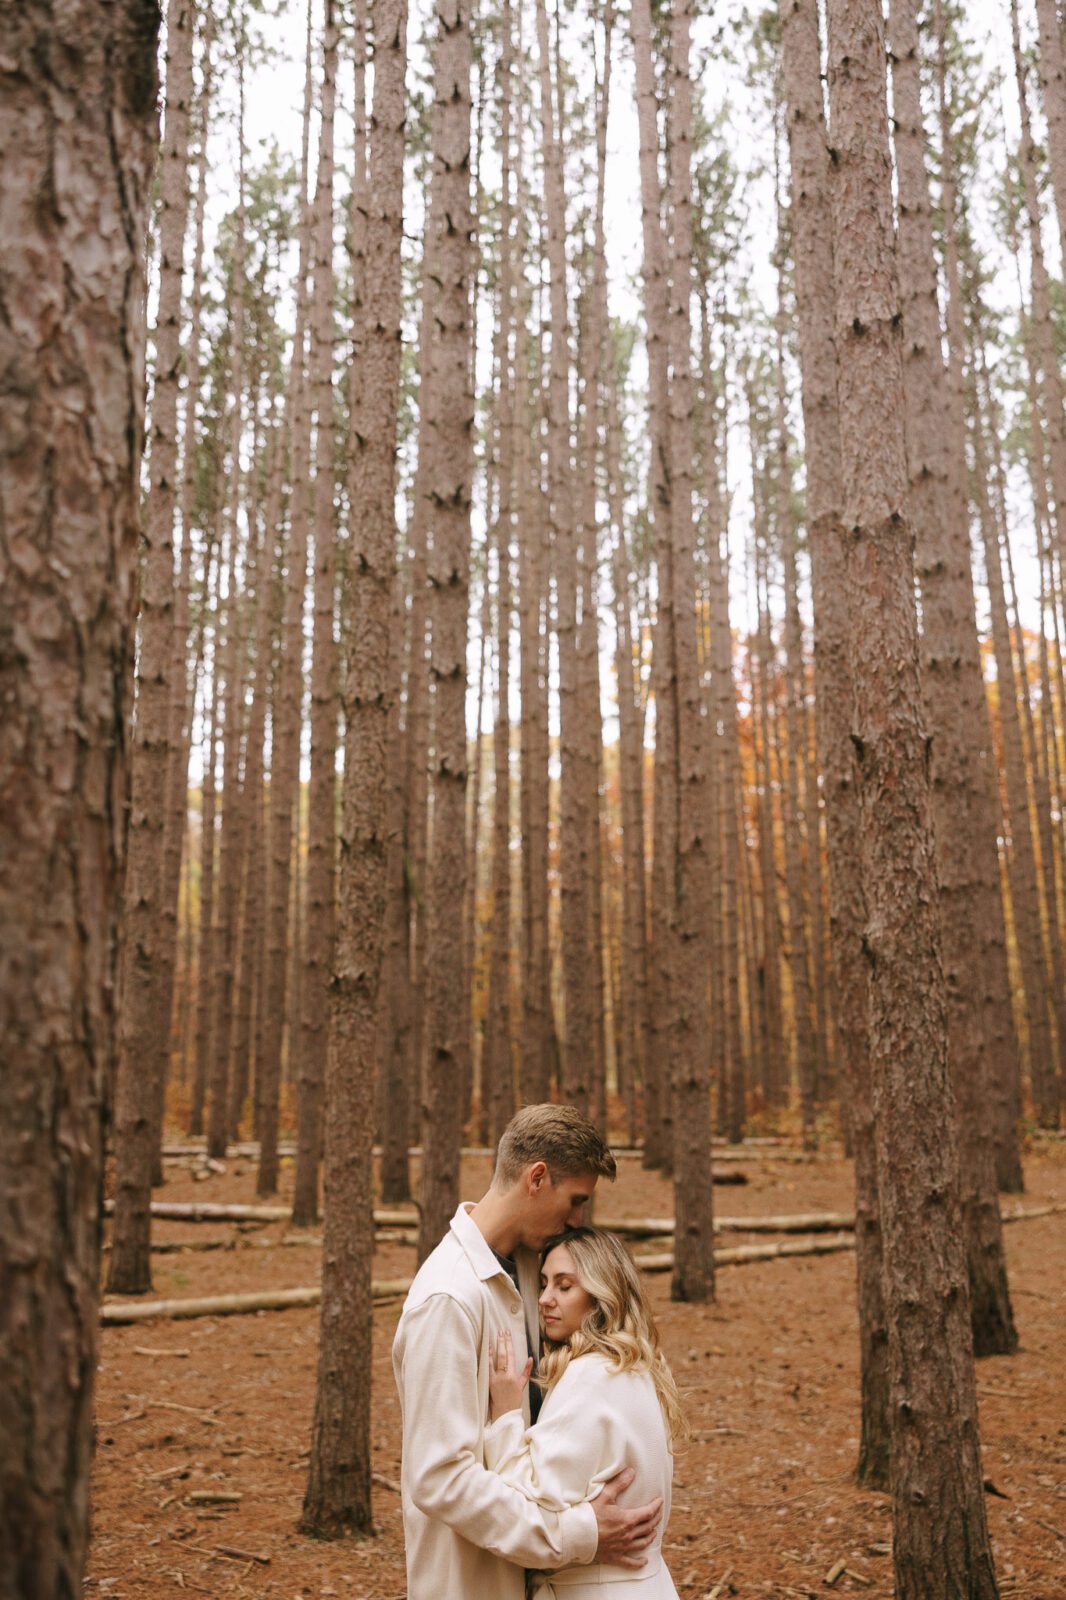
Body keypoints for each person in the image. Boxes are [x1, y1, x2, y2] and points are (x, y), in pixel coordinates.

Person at [392, 1104, 664, 1600]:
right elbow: (440, 1478)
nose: (576, 1221)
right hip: (473, 1585)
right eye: (575, 1201)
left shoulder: (530, 1270)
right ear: (536, 1178)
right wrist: (577, 1534)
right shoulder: (448, 1298)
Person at [485, 1226, 684, 1600]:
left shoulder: (590, 1377)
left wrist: (505, 1416)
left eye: (564, 1286)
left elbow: (527, 1502)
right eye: (544, 1284)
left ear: (600, 1296)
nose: (545, 1299)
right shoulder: (638, 1369)